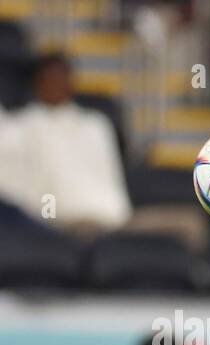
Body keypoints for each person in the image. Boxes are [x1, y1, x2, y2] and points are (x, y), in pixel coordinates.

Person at [0, 52, 130, 233]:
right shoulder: (23, 127)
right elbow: (38, 192)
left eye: (62, 78)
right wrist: (49, 223)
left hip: (115, 219)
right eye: (50, 79)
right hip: (69, 222)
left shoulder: (96, 124)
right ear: (37, 83)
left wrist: (118, 215)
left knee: (181, 226)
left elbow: (112, 180)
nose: (57, 84)